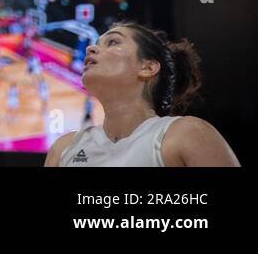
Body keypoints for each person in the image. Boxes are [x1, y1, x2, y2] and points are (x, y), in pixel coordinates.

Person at [45, 22, 239, 167]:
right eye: (96, 43)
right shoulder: (63, 149)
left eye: (112, 42)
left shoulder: (186, 134)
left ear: (147, 67)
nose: (91, 48)